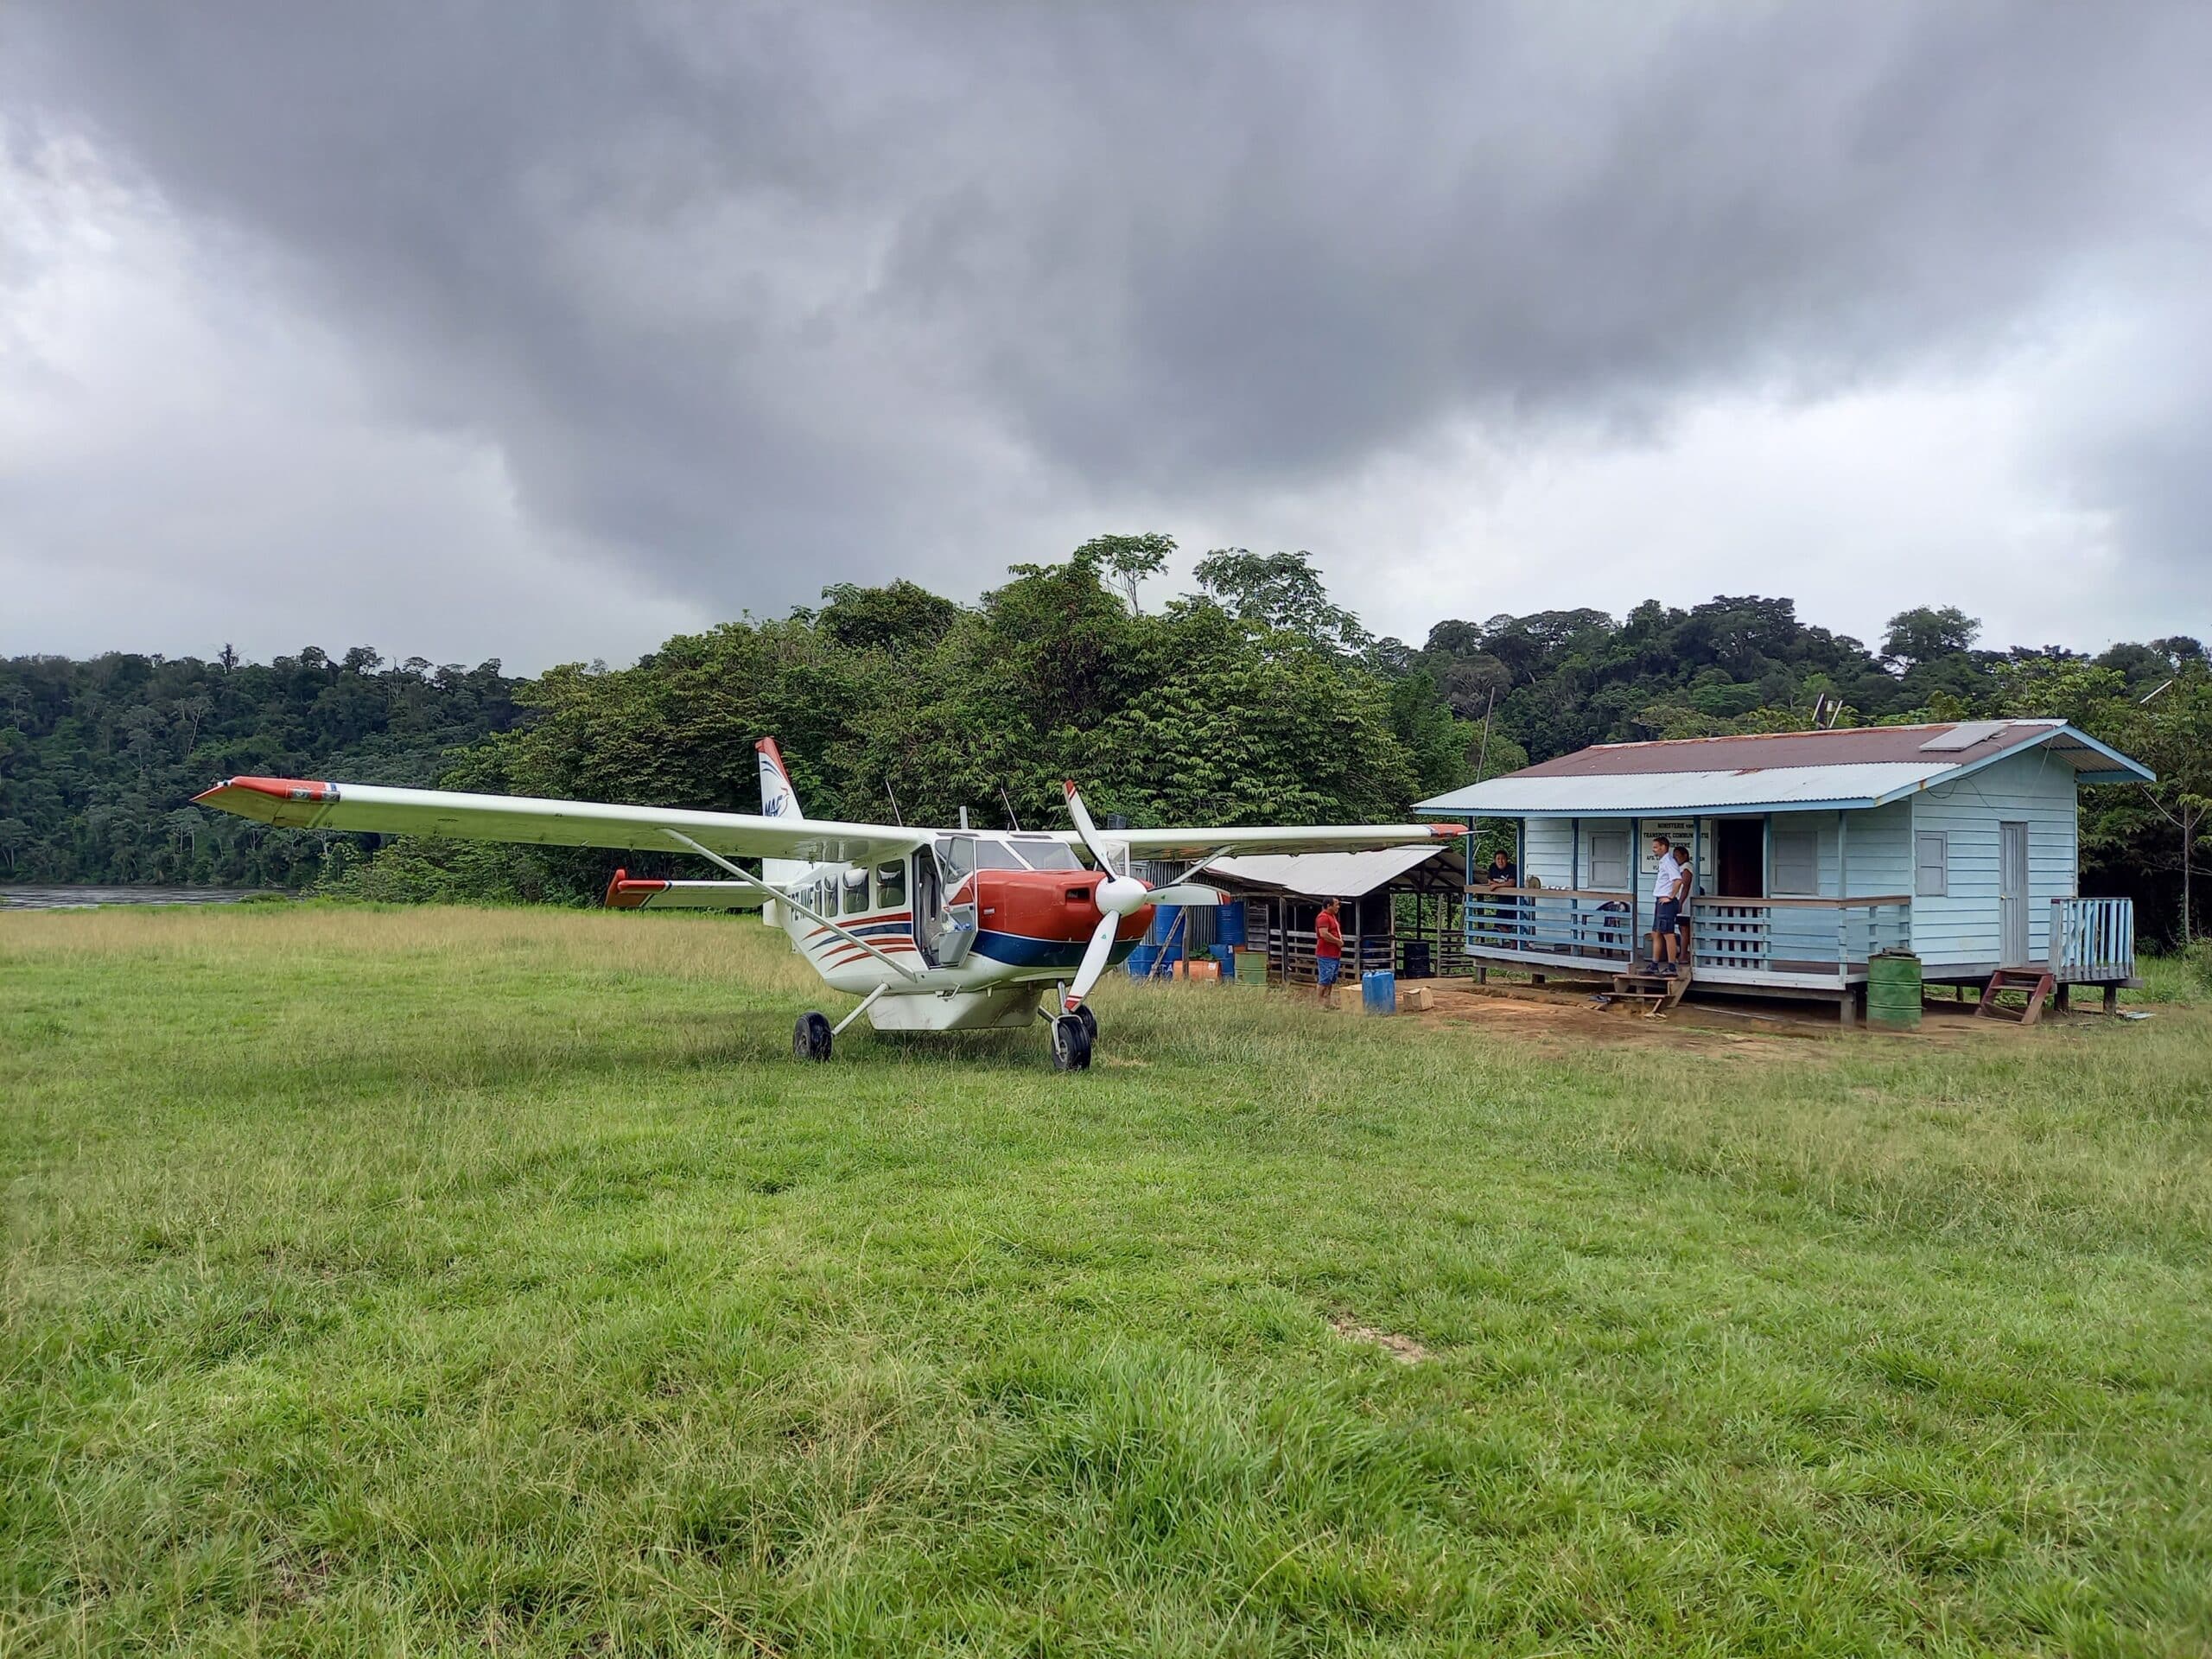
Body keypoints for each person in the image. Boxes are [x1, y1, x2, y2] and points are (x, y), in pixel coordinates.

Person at [1647, 836, 1690, 975]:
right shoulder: (1663, 862)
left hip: (1667, 902)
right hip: (1660, 900)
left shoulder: (1669, 862)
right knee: (1657, 933)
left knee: (1668, 934)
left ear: (1663, 847)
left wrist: (1671, 896)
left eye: (1655, 847)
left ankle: (1671, 967)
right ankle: (1654, 965)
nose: (1654, 850)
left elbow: (1678, 881)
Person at [1313, 897, 1344, 1006]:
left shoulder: (1332, 917)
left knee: (1331, 980)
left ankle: (1327, 1002)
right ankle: (1319, 1003)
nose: (1338, 907)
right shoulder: (1323, 917)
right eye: (1336, 904)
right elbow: (1324, 934)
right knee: (1324, 979)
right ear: (1329, 906)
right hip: (1326, 953)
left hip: (1334, 954)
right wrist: (1337, 941)